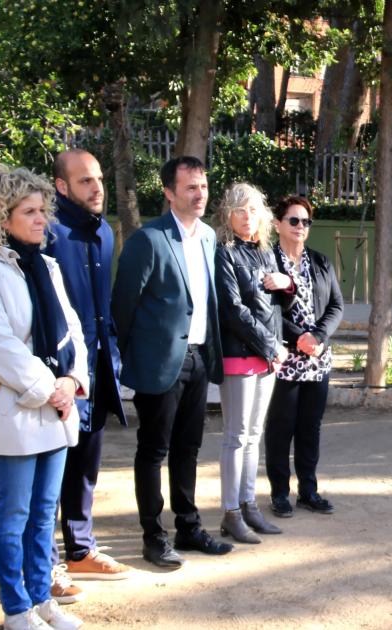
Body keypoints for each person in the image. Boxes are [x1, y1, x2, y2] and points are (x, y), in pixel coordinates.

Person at [0, 166, 88, 630]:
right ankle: (17, 610)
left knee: (43, 515)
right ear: (2, 216)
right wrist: (48, 389)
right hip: (13, 409)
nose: (40, 219)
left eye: (42, 210)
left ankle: (42, 600)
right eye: (29, 211)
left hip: (56, 408)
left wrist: (72, 381)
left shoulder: (47, 265)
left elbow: (73, 331)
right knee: (12, 516)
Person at [111, 155, 232, 569]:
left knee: (188, 448)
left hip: (197, 358)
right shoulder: (149, 240)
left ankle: (188, 527)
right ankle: (153, 537)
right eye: (190, 188)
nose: (200, 194)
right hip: (159, 364)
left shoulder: (209, 237)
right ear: (169, 193)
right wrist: (132, 360)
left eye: (203, 186)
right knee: (153, 450)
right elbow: (123, 306)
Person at [43, 149, 132, 597]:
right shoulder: (47, 232)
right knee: (51, 471)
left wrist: (111, 354)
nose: (97, 188)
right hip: (60, 374)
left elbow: (103, 303)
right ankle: (47, 565)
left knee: (85, 466)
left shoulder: (104, 232)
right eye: (85, 181)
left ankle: (80, 550)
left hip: (98, 368)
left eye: (99, 178)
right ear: (62, 187)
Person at [213, 182, 294, 543]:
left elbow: (279, 304)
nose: (247, 217)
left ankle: (248, 506)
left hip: (266, 356)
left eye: (253, 210)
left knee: (254, 435)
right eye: (240, 210)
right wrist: (271, 346)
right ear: (227, 215)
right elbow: (232, 310)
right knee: (237, 436)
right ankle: (231, 512)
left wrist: (287, 283)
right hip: (239, 354)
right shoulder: (223, 253)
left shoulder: (265, 252)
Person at [264, 196, 343, 517]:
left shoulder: (321, 262)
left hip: (317, 359)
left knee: (310, 427)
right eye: (294, 220)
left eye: (306, 221)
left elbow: (336, 305)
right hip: (285, 360)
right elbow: (266, 310)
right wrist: (300, 338)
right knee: (281, 428)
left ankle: (308, 491)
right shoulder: (267, 261)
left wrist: (318, 337)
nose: (300, 226)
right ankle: (279, 493)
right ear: (277, 224)